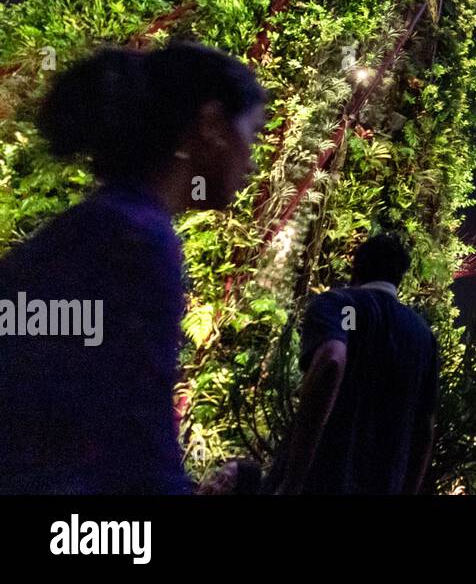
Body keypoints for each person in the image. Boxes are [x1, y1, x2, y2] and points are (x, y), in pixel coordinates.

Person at [0, 44, 266, 494]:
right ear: (212, 125)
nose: (253, 161)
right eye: (252, 135)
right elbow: (133, 447)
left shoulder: (103, 223)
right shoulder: (137, 242)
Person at [274, 234, 439, 494]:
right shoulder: (423, 336)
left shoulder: (337, 303)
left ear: (356, 267)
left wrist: (294, 477)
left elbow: (331, 359)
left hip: (322, 477)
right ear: (400, 277)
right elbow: (425, 428)